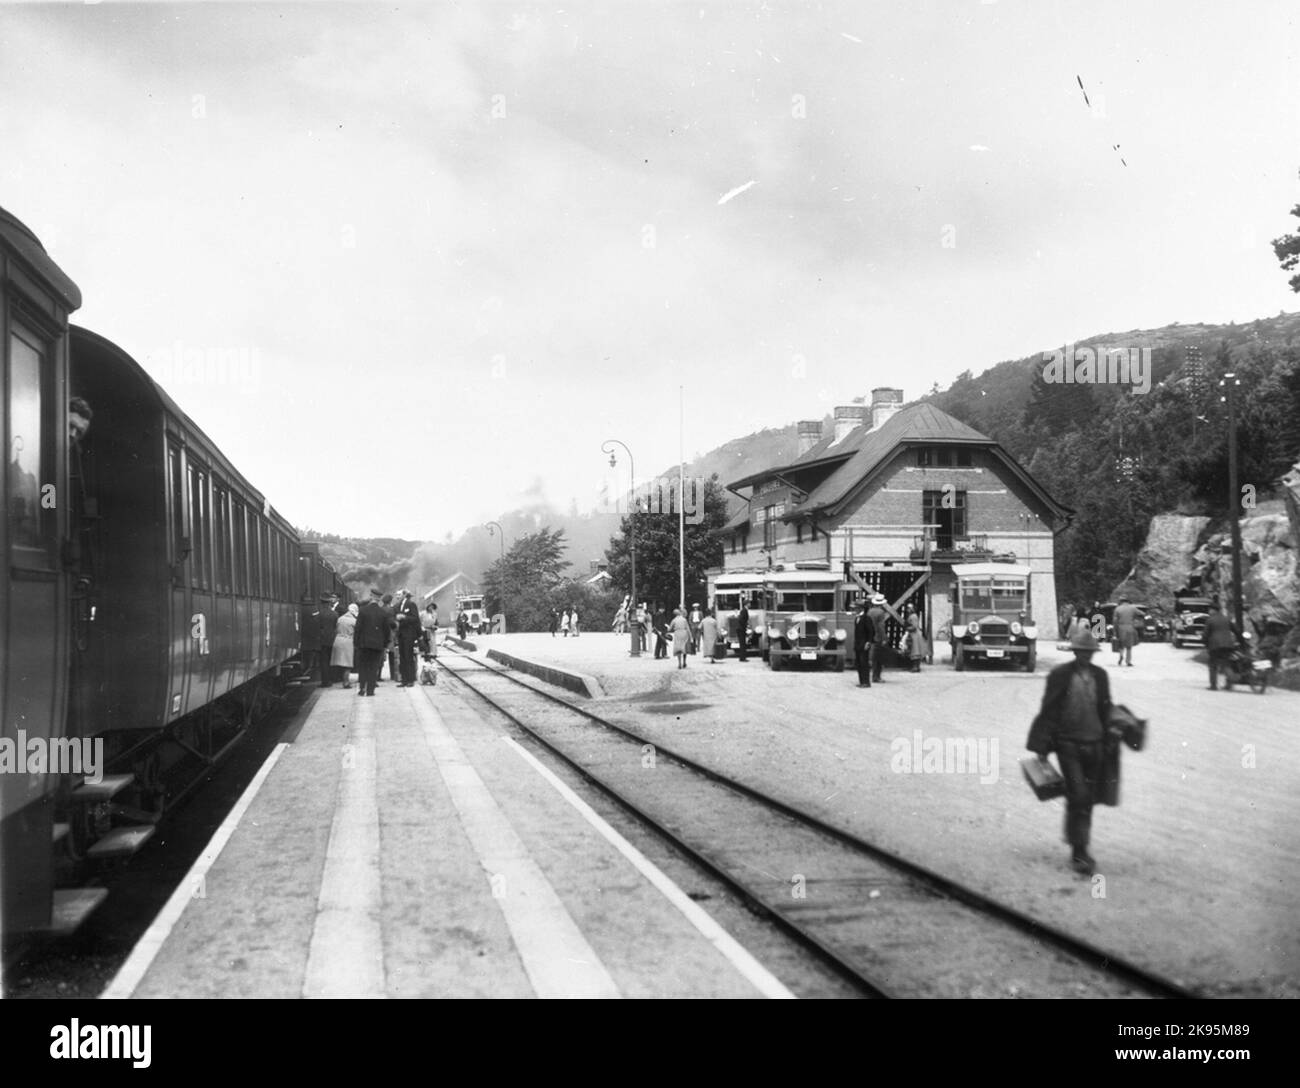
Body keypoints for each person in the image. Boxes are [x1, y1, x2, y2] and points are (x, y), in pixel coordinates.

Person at [1025, 627, 1117, 876]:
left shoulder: (1101, 676)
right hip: (1068, 745)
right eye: (1081, 652)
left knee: (1087, 798)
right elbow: (1049, 709)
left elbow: (1106, 708)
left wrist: (1117, 730)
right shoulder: (1060, 675)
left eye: (1089, 652)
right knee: (1079, 795)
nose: (1085, 656)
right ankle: (1080, 851)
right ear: (1074, 652)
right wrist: (1042, 747)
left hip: (1095, 744)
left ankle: (1077, 841)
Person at [354, 589, 388, 696]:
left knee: (363, 666)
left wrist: (356, 643)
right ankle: (370, 690)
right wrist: (385, 644)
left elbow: (358, 628)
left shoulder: (363, 610)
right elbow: (386, 631)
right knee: (374, 667)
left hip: (364, 644)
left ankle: (362, 688)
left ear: (371, 596)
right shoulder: (383, 612)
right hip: (377, 645)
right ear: (379, 599)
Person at [1204, 600, 1238, 691]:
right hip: (1228, 645)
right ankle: (1230, 683)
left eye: (1209, 610)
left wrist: (1206, 645)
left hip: (1214, 646)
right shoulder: (1226, 619)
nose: (1209, 611)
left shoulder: (1210, 620)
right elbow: (1236, 631)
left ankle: (1213, 685)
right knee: (1226, 664)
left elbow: (1205, 635)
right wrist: (1241, 642)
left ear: (1212, 610)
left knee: (1213, 665)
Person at [395, 590, 421, 687]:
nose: (397, 597)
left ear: (404, 595)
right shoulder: (398, 606)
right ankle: (404, 679)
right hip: (401, 634)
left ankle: (410, 679)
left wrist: (404, 617)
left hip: (409, 634)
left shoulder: (411, 604)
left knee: (408, 656)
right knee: (402, 657)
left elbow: (415, 618)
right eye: (396, 595)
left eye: (399, 594)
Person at [333, 603, 359, 688]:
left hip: (338, 640)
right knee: (347, 664)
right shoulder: (354, 621)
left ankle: (338, 679)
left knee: (340, 663)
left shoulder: (340, 619)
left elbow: (336, 630)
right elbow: (356, 633)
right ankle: (346, 682)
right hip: (348, 641)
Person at [317, 594, 340, 686]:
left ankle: (325, 681)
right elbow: (336, 626)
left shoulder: (319, 614)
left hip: (321, 640)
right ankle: (331, 679)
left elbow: (317, 626)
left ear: (322, 603)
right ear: (330, 603)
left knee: (323, 661)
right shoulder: (335, 614)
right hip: (332, 639)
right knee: (331, 660)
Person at [867, 594, 889, 683]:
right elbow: (881, 627)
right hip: (878, 638)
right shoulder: (881, 612)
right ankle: (877, 677)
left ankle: (874, 676)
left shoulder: (870, 611)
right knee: (879, 658)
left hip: (871, 637)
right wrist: (884, 638)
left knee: (873, 658)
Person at [1113, 595, 1139, 667]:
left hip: (1120, 628)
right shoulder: (1132, 607)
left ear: (1121, 601)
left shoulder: (1117, 608)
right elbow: (1142, 614)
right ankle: (1128, 662)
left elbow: (1115, 621)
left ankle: (1121, 655)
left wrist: (1115, 631)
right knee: (1129, 646)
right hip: (1130, 627)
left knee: (1121, 644)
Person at [853, 599, 875, 687]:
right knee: (859, 663)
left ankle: (866, 682)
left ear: (861, 608)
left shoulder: (866, 618)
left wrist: (868, 642)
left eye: (856, 608)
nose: (855, 610)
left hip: (864, 644)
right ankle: (862, 681)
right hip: (858, 644)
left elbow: (871, 631)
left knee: (864, 663)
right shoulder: (857, 618)